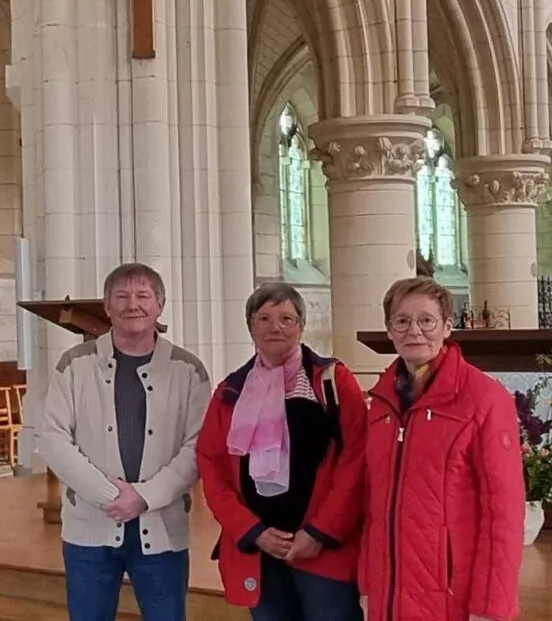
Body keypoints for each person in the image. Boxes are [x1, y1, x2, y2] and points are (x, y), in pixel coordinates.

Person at [38, 262, 211, 621]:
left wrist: (145, 496)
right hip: (90, 527)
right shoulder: (75, 364)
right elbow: (53, 438)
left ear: (159, 305)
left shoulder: (188, 369)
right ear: (107, 306)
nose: (133, 304)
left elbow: (198, 447)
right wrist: (109, 495)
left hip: (162, 528)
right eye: (122, 296)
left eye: (143, 296)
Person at [198, 282, 366, 621]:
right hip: (260, 551)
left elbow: (357, 460)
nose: (275, 327)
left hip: (323, 549)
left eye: (286, 319)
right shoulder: (230, 391)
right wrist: (253, 531)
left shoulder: (332, 381)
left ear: (302, 326)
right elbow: (211, 466)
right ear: (250, 326)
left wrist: (320, 532)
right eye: (264, 318)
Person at [360, 277, 525, 621]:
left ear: (448, 327)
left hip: (453, 596)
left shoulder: (483, 398)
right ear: (389, 330)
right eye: (402, 321)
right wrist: (367, 585)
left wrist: (491, 607)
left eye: (427, 320)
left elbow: (504, 512)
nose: (414, 331)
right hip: (387, 595)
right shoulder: (381, 403)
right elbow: (372, 507)